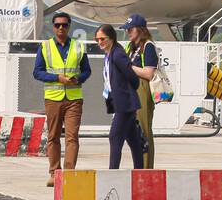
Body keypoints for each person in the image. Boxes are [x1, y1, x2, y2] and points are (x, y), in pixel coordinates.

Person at [33, 12, 91, 186]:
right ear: (53, 27)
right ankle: (54, 173)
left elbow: (86, 70)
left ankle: (69, 173)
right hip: (53, 98)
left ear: (69, 26)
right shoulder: (45, 47)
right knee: (53, 136)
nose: (61, 28)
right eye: (57, 25)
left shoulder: (78, 46)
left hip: (74, 98)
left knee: (72, 137)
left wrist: (78, 79)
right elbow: (37, 72)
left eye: (64, 25)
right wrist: (57, 78)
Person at [96, 24, 145, 169]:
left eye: (102, 39)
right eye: (97, 40)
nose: (100, 42)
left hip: (125, 104)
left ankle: (113, 173)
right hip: (120, 103)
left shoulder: (117, 54)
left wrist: (128, 93)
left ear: (111, 38)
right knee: (133, 140)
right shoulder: (109, 54)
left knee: (115, 137)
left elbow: (132, 77)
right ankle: (140, 171)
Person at [124, 13, 160, 168]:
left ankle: (146, 168)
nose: (128, 32)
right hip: (130, 88)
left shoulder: (148, 47)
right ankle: (138, 165)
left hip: (142, 88)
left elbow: (148, 73)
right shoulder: (130, 48)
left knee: (144, 130)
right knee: (132, 130)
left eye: (130, 29)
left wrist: (129, 67)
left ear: (139, 30)